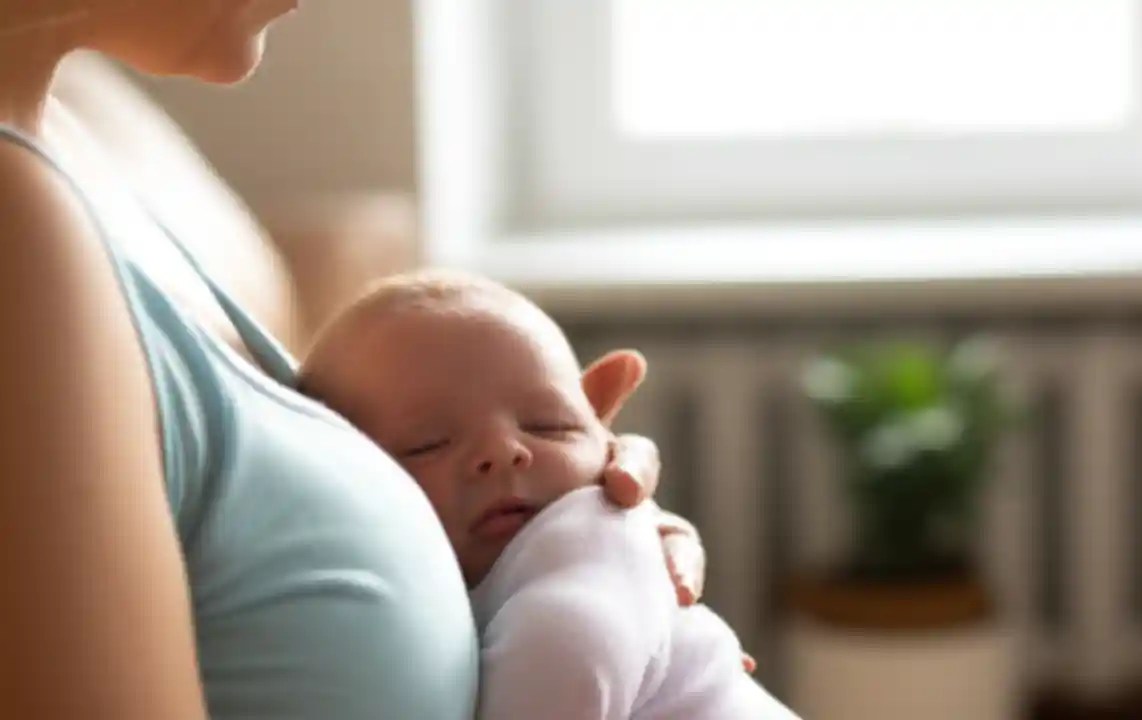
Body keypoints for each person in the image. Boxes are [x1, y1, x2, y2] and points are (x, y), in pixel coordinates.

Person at [0, 2, 707, 717]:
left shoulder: (70, 132)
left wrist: (577, 532)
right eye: (430, 443)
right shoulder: (15, 229)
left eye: (548, 427)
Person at [299, 269, 796, 719]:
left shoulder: (578, 554)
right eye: (427, 444)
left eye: (549, 426)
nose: (504, 451)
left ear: (604, 433)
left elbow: (570, 646)